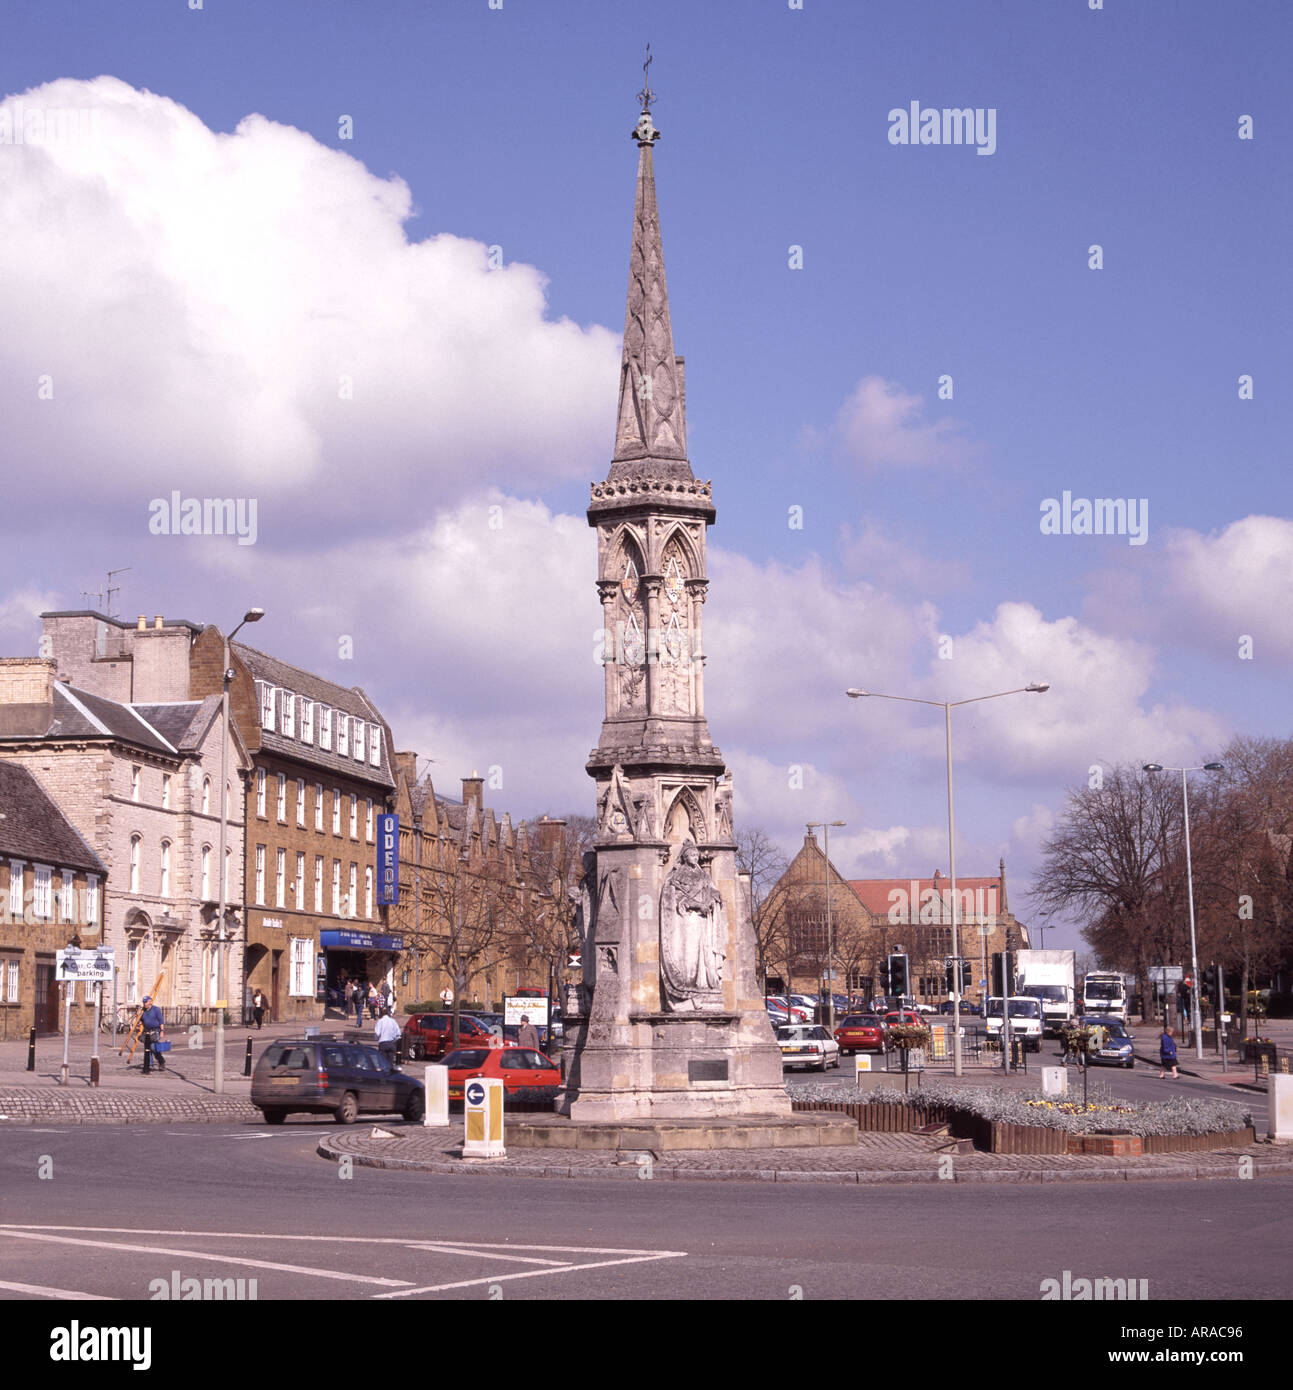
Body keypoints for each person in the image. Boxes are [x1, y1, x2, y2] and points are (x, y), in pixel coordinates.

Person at [140, 995, 165, 1075]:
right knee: (147, 1048)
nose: (145, 1004)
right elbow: (141, 1021)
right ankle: (149, 1065)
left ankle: (161, 1061)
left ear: (150, 1002)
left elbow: (161, 1020)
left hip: (155, 1030)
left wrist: (162, 1031)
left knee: (153, 1048)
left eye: (146, 1002)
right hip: (146, 1031)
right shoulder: (142, 1011)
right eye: (144, 1003)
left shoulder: (156, 1010)